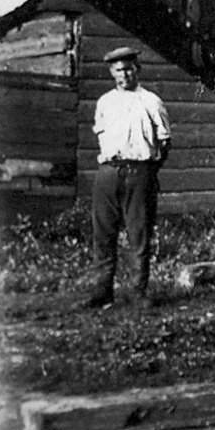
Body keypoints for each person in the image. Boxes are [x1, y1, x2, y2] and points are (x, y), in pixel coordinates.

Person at [84, 47, 171, 308]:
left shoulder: (151, 101)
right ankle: (102, 292)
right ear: (112, 73)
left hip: (140, 172)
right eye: (119, 70)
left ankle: (138, 292)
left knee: (139, 234)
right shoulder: (105, 102)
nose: (125, 75)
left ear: (138, 70)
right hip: (109, 172)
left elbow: (165, 142)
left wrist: (148, 171)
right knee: (103, 233)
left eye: (129, 69)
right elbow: (102, 138)